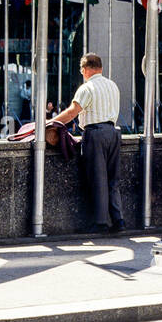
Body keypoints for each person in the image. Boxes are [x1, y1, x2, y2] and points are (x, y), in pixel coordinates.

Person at [49, 52, 124, 232]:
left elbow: (72, 112)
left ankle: (100, 223)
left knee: (98, 178)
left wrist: (51, 123)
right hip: (114, 133)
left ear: (84, 70)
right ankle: (119, 219)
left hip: (95, 133)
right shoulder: (113, 85)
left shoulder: (87, 88)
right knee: (113, 180)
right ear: (101, 68)